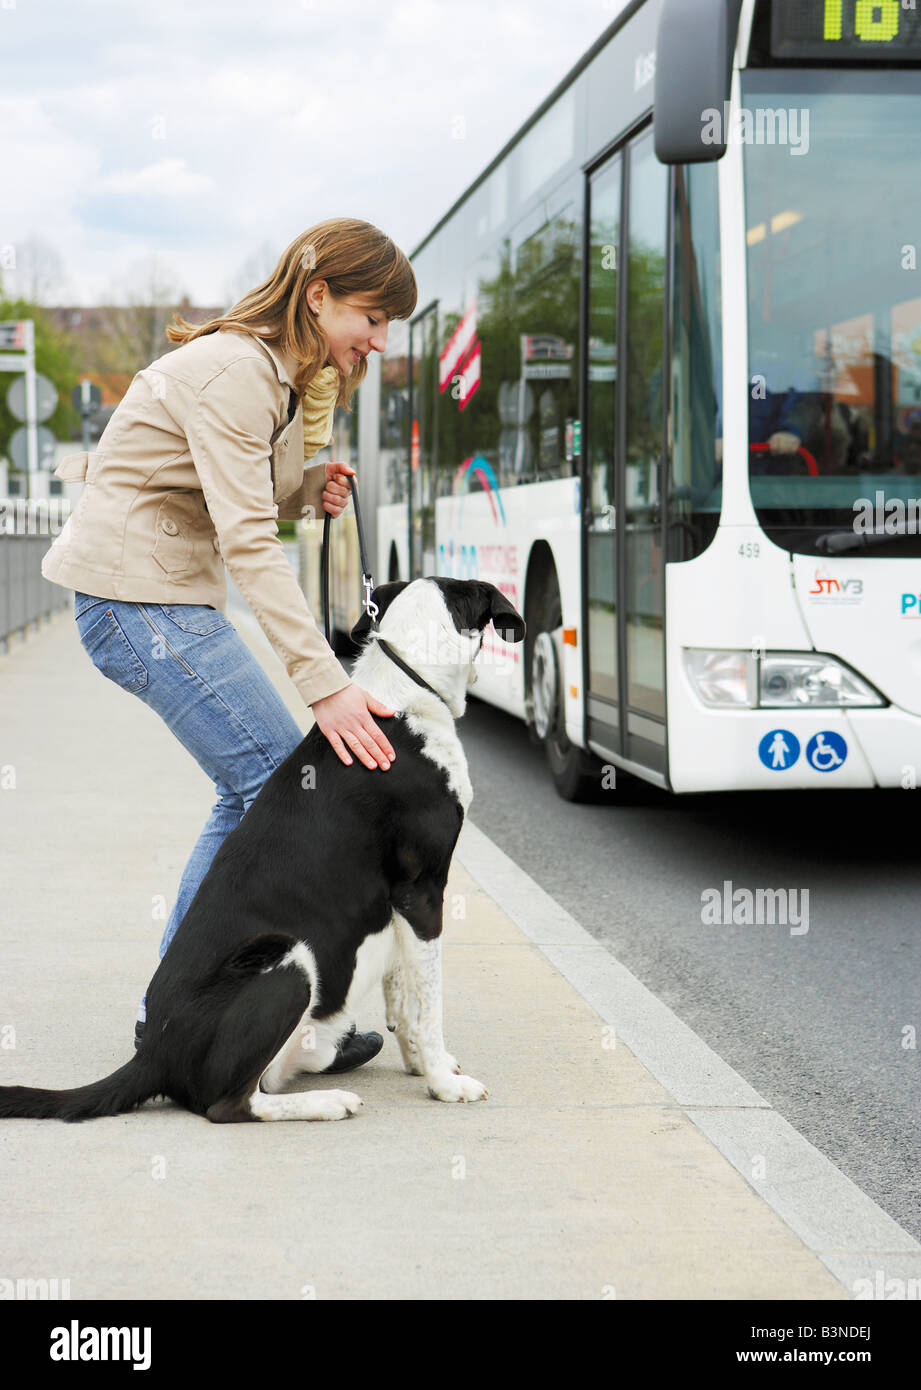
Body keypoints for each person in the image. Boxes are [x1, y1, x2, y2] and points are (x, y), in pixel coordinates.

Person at [41, 218, 418, 1069]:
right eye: (372, 316)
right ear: (318, 296)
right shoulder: (235, 371)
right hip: (137, 603)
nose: (380, 340)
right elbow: (247, 541)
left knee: (252, 785)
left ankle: (186, 1010)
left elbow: (242, 487)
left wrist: (307, 482)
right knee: (265, 782)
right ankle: (178, 1019)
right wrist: (326, 683)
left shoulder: (273, 372)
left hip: (160, 598)